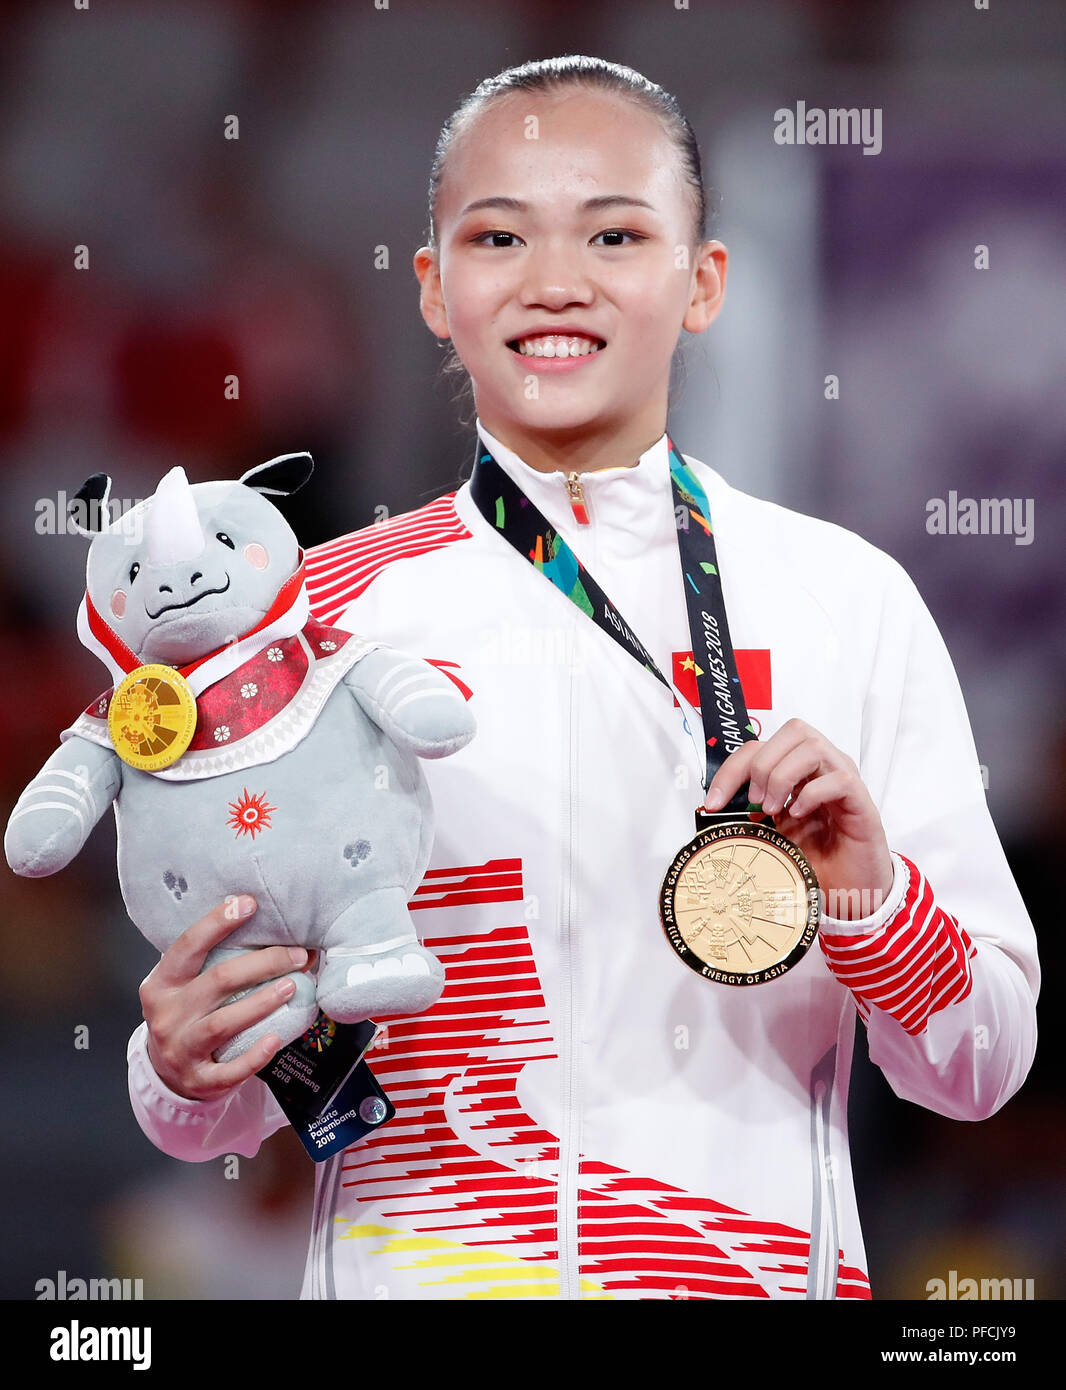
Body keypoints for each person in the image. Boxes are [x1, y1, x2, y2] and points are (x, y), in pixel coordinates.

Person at [127, 55, 1039, 1301]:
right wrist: (178, 1064)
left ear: (703, 281)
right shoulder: (308, 625)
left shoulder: (849, 598)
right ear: (436, 291)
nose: (555, 281)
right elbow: (213, 1110)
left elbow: (979, 1065)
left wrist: (871, 900)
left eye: (614, 232)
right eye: (499, 236)